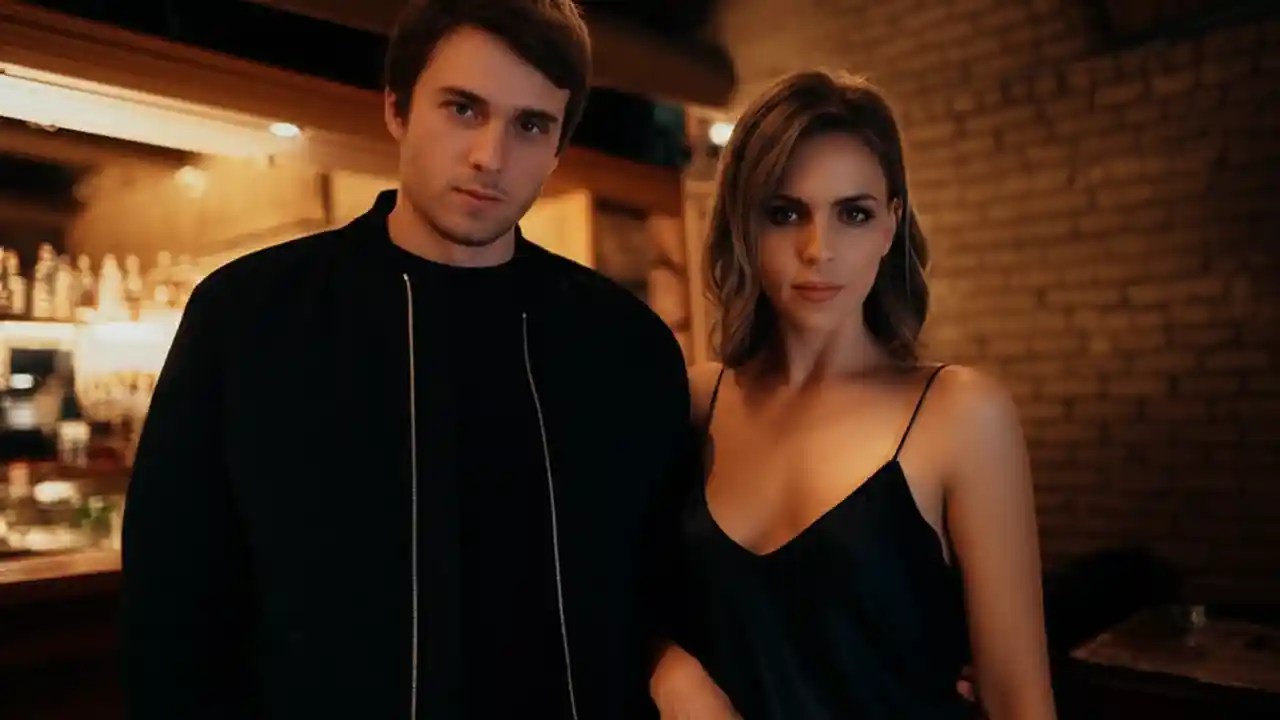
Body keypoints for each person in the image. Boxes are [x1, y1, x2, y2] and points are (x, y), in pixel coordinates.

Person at [120, 1, 691, 717]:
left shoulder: (625, 349)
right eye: (463, 108)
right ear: (396, 107)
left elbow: (668, 593)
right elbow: (170, 608)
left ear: (557, 148)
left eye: (530, 125)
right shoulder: (248, 318)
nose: (490, 156)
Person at [649, 70, 1058, 719]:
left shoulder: (959, 413)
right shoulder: (696, 401)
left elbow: (1019, 700)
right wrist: (671, 672)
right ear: (743, 224)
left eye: (854, 213)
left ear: (890, 225)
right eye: (785, 213)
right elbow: (600, 588)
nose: (819, 250)